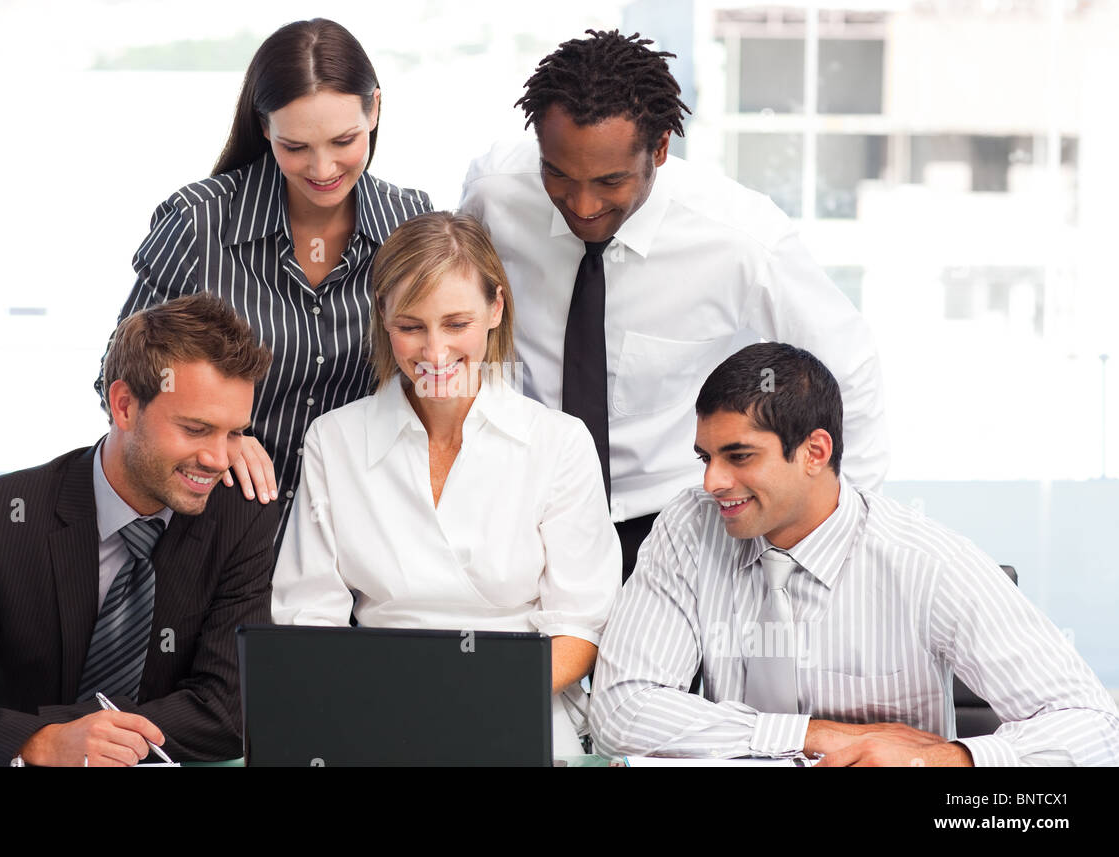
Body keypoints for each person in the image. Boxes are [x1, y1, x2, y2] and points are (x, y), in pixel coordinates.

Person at [459, 30, 889, 582]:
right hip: (521, 510)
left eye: (610, 180)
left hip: (670, 525)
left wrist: (842, 542)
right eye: (558, 175)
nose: (583, 205)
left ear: (660, 148)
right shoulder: (494, 193)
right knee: (515, 670)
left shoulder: (741, 238)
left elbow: (849, 372)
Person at [589, 342, 1119, 766]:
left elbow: (1092, 723)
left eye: (739, 456)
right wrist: (815, 735)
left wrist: (946, 760)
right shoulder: (689, 529)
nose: (713, 481)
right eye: (705, 457)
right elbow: (621, 707)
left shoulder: (925, 561)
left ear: (815, 452)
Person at [271, 212, 621, 754]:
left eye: (456, 324)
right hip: (371, 706)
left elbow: (579, 629)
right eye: (411, 327)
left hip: (520, 703)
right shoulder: (334, 440)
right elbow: (307, 618)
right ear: (383, 316)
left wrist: (467, 700)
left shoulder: (558, 443)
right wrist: (391, 707)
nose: (434, 355)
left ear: (495, 308)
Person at [0, 295, 279, 766]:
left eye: (235, 433)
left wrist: (73, 733)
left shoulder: (241, 519)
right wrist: (42, 743)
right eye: (196, 429)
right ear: (124, 405)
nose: (219, 459)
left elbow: (228, 713)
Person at [96, 18, 431, 543]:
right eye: (295, 146)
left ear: (375, 110)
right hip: (211, 530)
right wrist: (224, 438)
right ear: (264, 127)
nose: (323, 169)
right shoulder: (197, 222)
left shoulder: (410, 226)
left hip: (358, 536)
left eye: (344, 140)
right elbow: (114, 383)